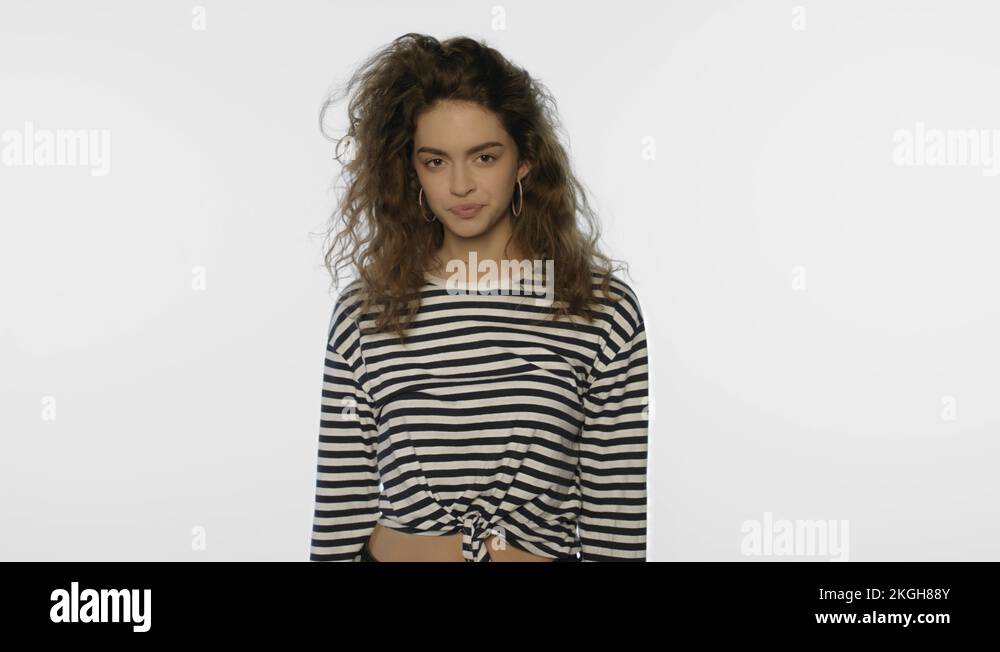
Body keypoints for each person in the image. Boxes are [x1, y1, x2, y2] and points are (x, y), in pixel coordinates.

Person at [309, 33, 648, 562]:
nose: (461, 185)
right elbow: (339, 512)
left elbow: (616, 524)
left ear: (524, 161)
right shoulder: (366, 311)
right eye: (436, 161)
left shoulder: (598, 309)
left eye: (484, 157)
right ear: (412, 171)